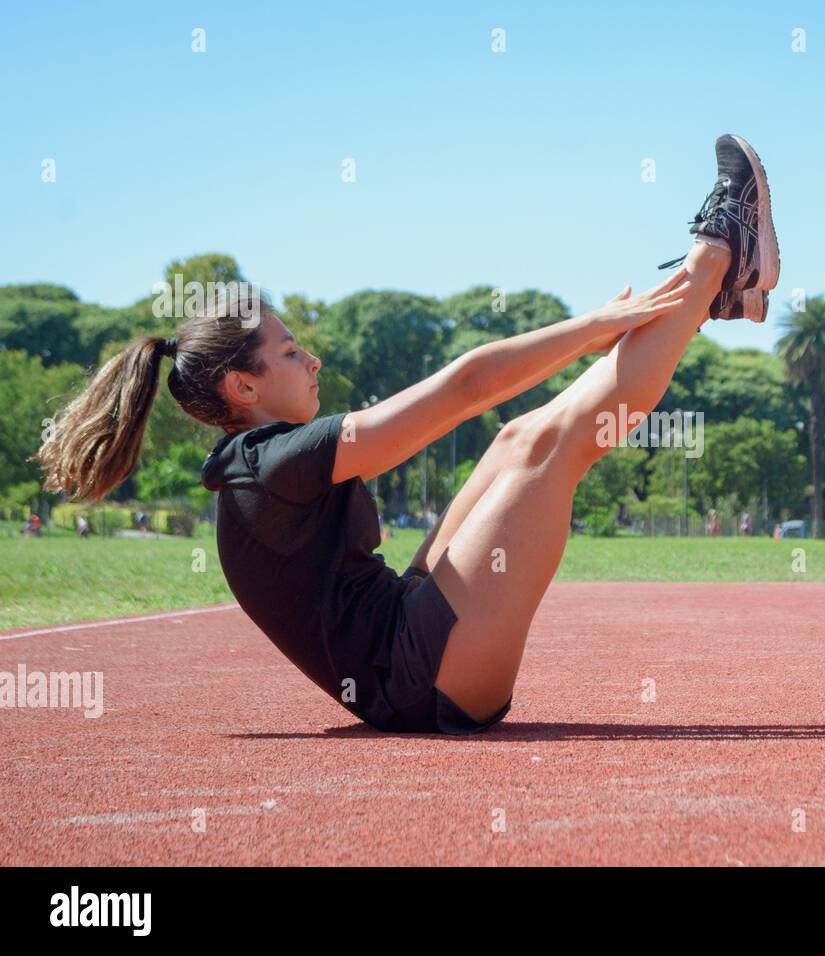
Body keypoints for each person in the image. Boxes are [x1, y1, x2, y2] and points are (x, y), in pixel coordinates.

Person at [35, 134, 780, 735]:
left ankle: (715, 286)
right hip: (422, 683)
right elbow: (461, 389)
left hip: (413, 643)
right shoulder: (268, 466)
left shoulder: (255, 467)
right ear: (244, 387)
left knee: (521, 438)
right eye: (290, 351)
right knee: (556, 444)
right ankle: (719, 249)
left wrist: (596, 334)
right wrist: (589, 328)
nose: (311, 357)